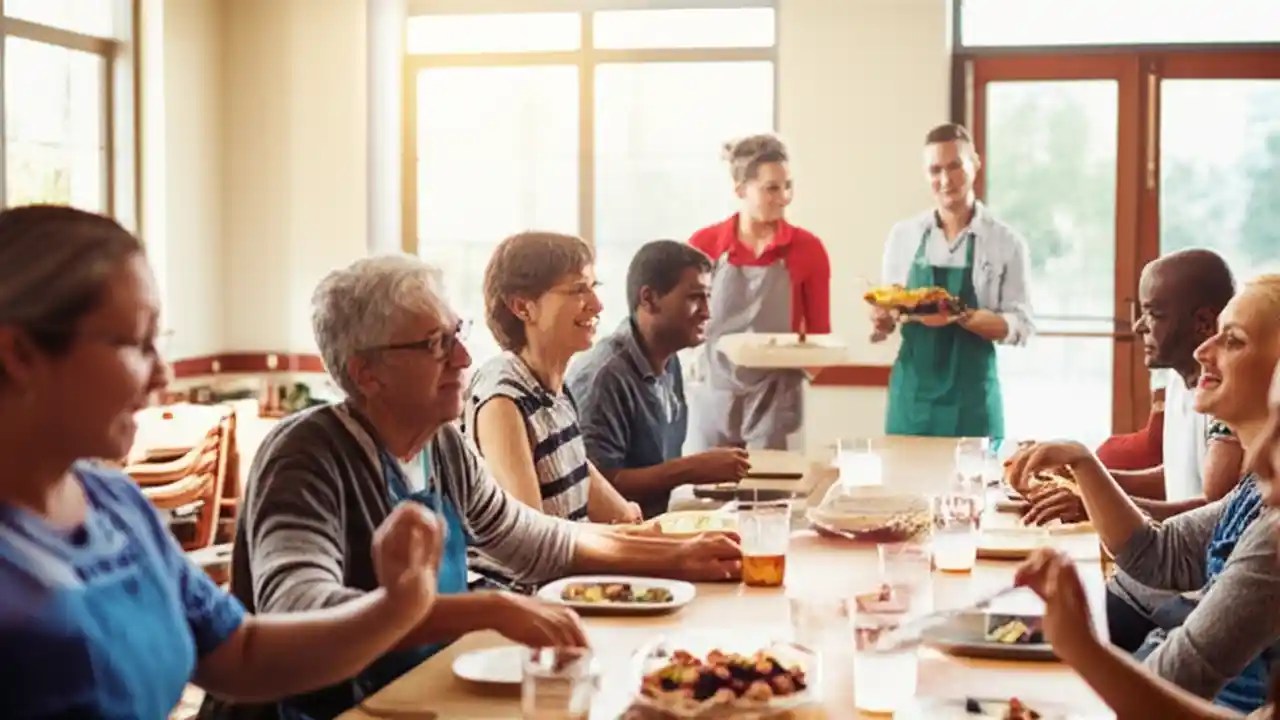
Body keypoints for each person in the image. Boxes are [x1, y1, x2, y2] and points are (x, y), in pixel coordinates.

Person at [215, 254, 742, 719]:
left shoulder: (439, 443)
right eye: (434, 345)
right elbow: (299, 610)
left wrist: (676, 555)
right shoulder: (305, 457)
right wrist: (489, 607)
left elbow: (533, 538)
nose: (463, 359)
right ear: (367, 374)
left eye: (457, 334)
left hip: (416, 691)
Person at [0, 206, 444, 718]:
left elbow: (239, 653)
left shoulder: (115, 504)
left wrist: (397, 607)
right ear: (20, 353)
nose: (162, 374)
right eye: (136, 343)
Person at [1007, 275, 1280, 713]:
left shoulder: (1274, 535)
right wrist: (1083, 461)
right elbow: (1159, 552)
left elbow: (1176, 680)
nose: (1202, 351)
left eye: (1234, 341)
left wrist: (1080, 646)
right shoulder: (1256, 490)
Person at [1023, 248, 1241, 527]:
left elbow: (1218, 516)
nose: (1139, 326)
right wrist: (1080, 476)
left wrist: (1096, 504)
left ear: (1203, 323)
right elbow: (1176, 478)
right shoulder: (1178, 382)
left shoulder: (1232, 396)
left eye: (1154, 314)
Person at [463, 232, 640, 525]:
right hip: (541, 571)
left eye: (593, 287)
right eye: (578, 290)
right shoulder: (502, 401)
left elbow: (578, 469)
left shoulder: (551, 387)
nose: (597, 305)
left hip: (571, 566)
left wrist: (633, 524)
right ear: (522, 307)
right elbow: (533, 539)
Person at [566, 240, 751, 518]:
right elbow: (595, 486)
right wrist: (692, 469)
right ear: (649, 299)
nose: (707, 311)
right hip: (615, 546)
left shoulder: (670, 362)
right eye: (695, 297)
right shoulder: (604, 377)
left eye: (708, 297)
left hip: (651, 529)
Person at [873, 122, 1034, 439]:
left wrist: (960, 314)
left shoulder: (1006, 242)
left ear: (975, 163)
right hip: (913, 400)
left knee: (974, 487)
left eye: (955, 166)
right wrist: (882, 319)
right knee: (905, 487)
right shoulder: (903, 236)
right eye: (935, 170)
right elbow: (890, 315)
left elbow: (1020, 326)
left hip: (972, 401)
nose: (945, 180)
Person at [687, 134, 831, 451]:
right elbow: (680, 324)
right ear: (740, 189)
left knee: (774, 497)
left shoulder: (807, 250)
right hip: (712, 401)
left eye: (788, 186)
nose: (784, 197)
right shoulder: (704, 246)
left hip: (775, 407)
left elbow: (820, 334)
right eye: (772, 188)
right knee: (706, 498)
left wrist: (789, 388)